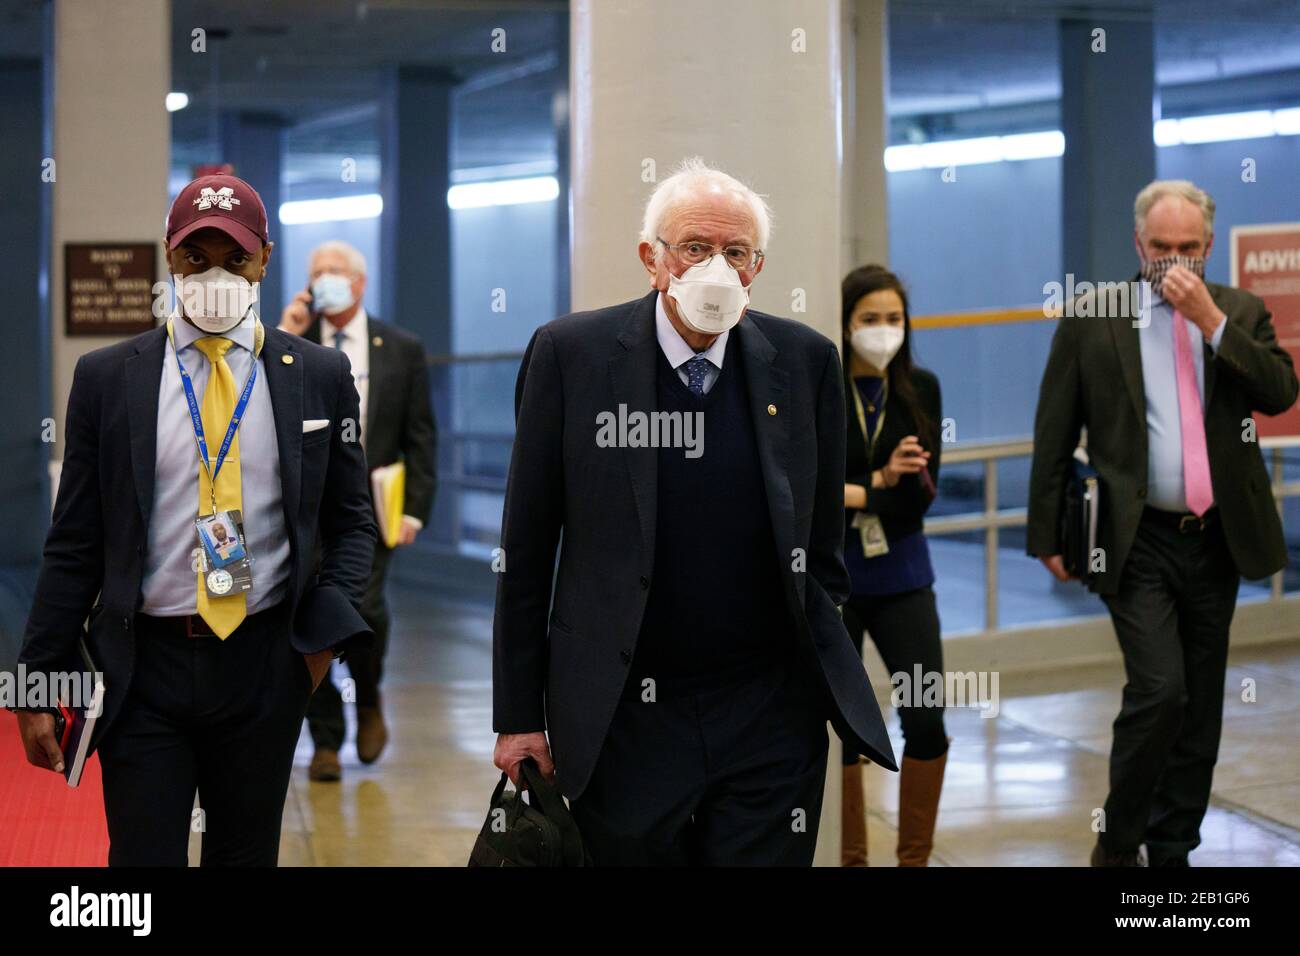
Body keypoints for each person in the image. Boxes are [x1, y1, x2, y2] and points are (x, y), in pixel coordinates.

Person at [491, 157, 896, 866]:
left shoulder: (804, 364)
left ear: (757, 268)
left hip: (767, 713)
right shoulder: (571, 356)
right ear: (653, 260)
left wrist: (806, 679)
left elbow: (821, 547)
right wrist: (519, 717)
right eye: (695, 248)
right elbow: (525, 550)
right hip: (626, 715)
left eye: (735, 252)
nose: (716, 268)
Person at [10, 173, 377, 866]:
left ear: (265, 259)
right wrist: (36, 679)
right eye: (195, 256)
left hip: (264, 663)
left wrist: (319, 642)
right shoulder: (108, 378)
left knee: (244, 857)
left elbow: (352, 523)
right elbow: (73, 543)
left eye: (234, 258)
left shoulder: (319, 375)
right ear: (169, 258)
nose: (214, 274)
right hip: (144, 668)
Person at [1027, 179, 1298, 866]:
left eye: (1187, 248)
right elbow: (1054, 432)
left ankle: (1172, 846)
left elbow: (1279, 391)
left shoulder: (1239, 311)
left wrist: (1212, 322)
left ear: (1209, 246)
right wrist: (1045, 537)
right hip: (1135, 537)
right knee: (1160, 689)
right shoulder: (1094, 317)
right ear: (1136, 243)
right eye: (1159, 247)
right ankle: (1117, 846)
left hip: (1217, 539)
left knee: (1200, 705)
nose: (1172, 262)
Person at [280, 240, 437, 780]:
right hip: (307, 506)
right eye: (316, 271)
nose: (325, 278)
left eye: (335, 271)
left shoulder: (401, 346)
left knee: (364, 606)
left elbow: (421, 435)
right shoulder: (292, 346)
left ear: (360, 282)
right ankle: (326, 740)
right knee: (311, 609)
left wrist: (416, 509)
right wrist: (287, 329)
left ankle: (368, 698)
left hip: (376, 504)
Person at [838, 265, 947, 866]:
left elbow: (922, 495)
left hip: (903, 572)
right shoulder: (824, 385)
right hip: (836, 579)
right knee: (844, 730)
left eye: (894, 319)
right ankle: (851, 857)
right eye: (869, 319)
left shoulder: (920, 389)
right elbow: (808, 487)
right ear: (847, 322)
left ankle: (914, 860)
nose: (883, 331)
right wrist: (881, 480)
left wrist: (858, 491)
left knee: (925, 716)